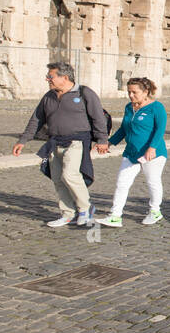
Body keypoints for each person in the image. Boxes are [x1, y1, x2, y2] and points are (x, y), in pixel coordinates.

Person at [12, 61, 110, 226]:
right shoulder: (48, 96)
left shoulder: (84, 93)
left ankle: (86, 210)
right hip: (54, 141)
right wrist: (23, 140)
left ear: (64, 77)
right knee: (57, 178)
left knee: (70, 175)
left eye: (50, 76)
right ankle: (68, 214)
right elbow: (36, 119)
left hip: (77, 140)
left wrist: (102, 140)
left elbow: (98, 118)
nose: (47, 79)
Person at [96, 77, 167, 227]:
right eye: (129, 92)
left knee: (152, 182)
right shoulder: (129, 107)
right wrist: (109, 142)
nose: (131, 95)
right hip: (131, 153)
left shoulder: (156, 107)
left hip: (152, 153)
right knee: (122, 182)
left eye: (134, 92)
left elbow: (160, 130)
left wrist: (152, 147)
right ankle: (115, 216)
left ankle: (155, 211)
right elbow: (123, 129)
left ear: (145, 92)